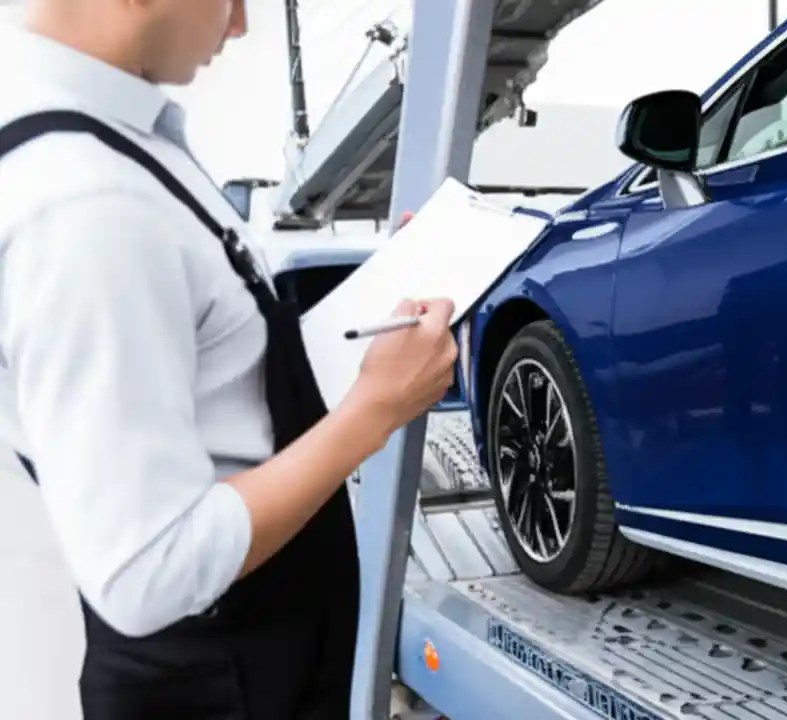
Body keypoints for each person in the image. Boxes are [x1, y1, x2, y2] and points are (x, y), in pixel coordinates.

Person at [0, 1, 458, 718]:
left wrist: (386, 289)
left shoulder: (117, 143)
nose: (240, 23)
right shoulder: (88, 206)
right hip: (219, 687)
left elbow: (219, 372)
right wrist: (374, 414)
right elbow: (150, 570)